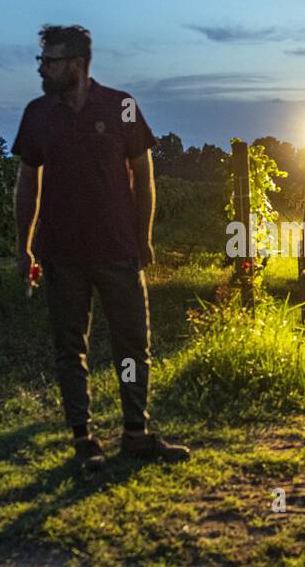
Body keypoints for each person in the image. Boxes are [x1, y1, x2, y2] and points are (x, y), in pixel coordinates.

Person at [12, 24, 189, 469]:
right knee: (70, 348)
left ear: (76, 64)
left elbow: (144, 175)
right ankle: (83, 440)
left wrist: (143, 235)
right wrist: (24, 247)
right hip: (60, 253)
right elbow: (27, 182)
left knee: (132, 345)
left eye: (49, 62)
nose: (42, 70)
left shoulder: (121, 107)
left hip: (117, 249)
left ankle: (136, 433)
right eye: (42, 61)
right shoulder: (37, 114)